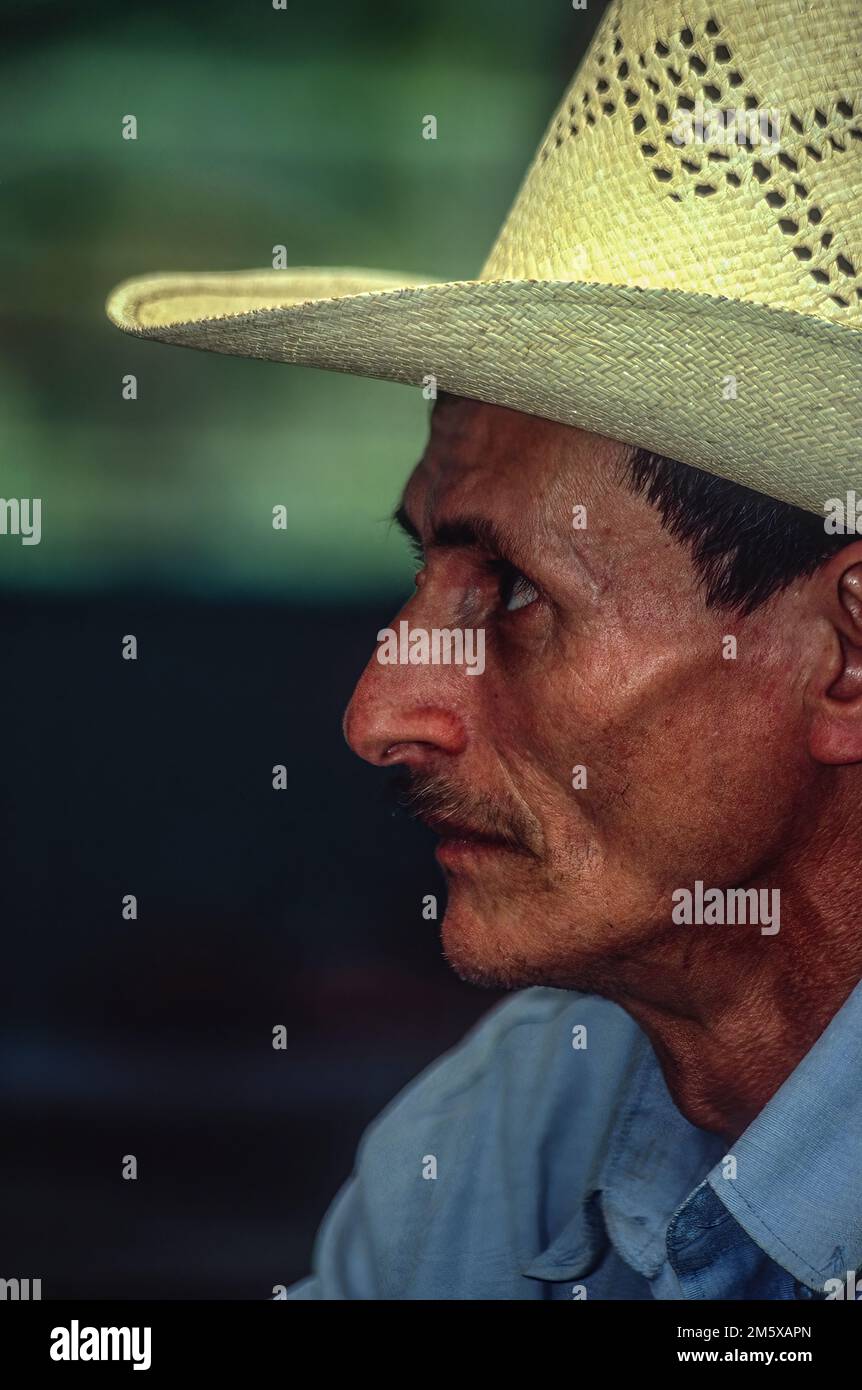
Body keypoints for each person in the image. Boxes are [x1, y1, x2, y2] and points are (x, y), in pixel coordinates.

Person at [107, 0, 862, 1299]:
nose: (376, 714)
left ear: (844, 658)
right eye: (427, 570)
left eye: (510, 590)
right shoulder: (501, 1133)